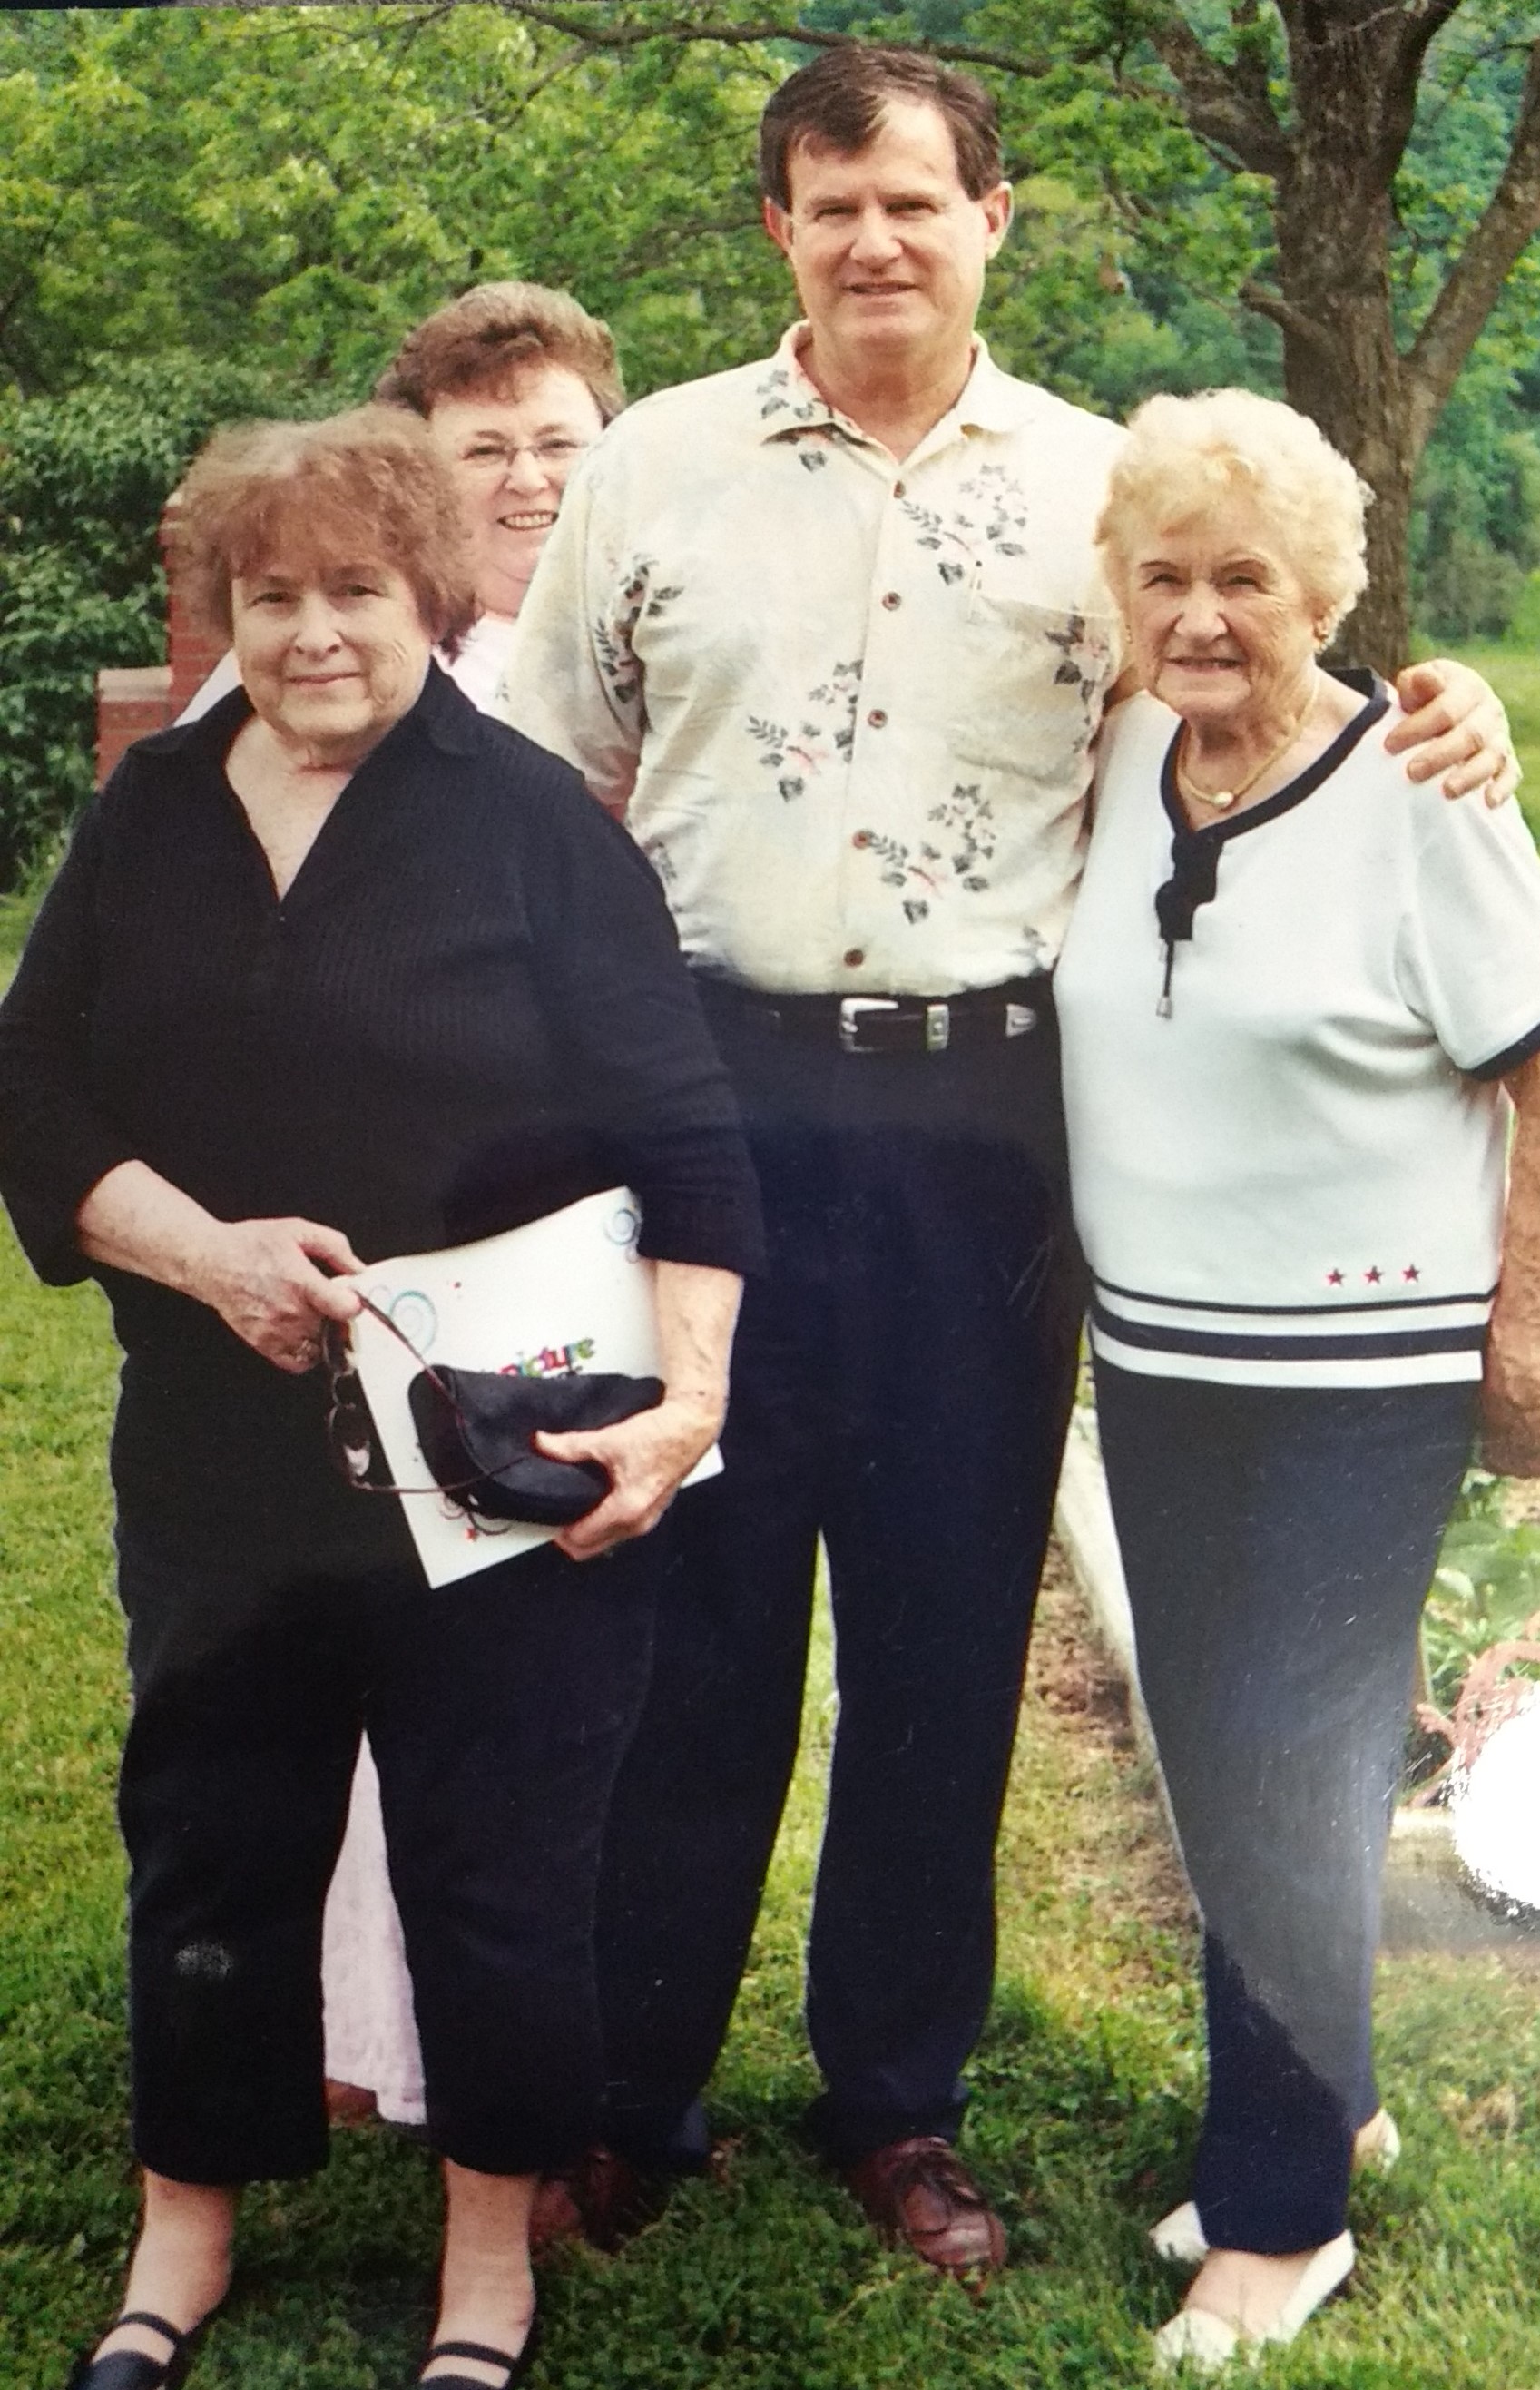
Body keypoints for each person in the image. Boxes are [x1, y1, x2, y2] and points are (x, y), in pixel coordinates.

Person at [498, 40, 1517, 2277]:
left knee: (946, 1650)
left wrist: (1460, 709)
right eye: (831, 200)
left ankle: (896, 2103)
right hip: (709, 1127)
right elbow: (530, 785)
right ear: (777, 223)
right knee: (697, 1643)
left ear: (992, 224)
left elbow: (1256, 689)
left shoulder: (1094, 489)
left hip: (985, 1136)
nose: (876, 238)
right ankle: (638, 2103)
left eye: (917, 202)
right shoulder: (652, 471)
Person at [0, 405, 761, 2390]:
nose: (315, 632)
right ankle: (184, 2234)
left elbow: (690, 1140)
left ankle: (486, 2263)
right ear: (224, 610)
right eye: (273, 596)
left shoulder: (532, 828)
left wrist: (681, 1407)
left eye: (354, 591)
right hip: (219, 1454)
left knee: (499, 1863)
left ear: (428, 595)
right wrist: (204, 1252)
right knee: (210, 1844)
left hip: (496, 1463)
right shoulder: (152, 813)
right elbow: (37, 1091)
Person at [1054, 387, 1540, 2369]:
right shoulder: (1118, 764)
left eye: (1243, 578)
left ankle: (1279, 2217)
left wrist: (1530, 1333)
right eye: (1161, 576)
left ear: (1322, 590)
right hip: (1159, 1355)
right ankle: (1323, 2094)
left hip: (1369, 1364)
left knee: (1286, 1760)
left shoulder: (1426, 783)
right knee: (1223, 1740)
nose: (1200, 616)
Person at [176, 281, 625, 2129]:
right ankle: (376, 2052)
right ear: (419, 490)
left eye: (558, 444)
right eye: (482, 449)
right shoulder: (317, 652)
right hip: (372, 1256)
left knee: (539, 1688)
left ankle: (535, 2068)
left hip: (579, 1226)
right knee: (370, 1681)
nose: (526, 482)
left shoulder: (633, 634)